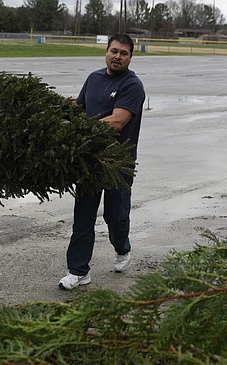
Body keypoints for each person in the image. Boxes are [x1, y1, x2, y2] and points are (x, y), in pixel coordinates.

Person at [59, 33, 146, 291]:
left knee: (115, 216)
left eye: (124, 53)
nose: (118, 56)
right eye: (114, 51)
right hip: (91, 161)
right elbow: (80, 106)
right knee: (83, 216)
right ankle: (78, 271)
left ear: (130, 57)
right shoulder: (94, 79)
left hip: (118, 162)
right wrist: (56, 111)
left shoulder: (133, 86)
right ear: (106, 51)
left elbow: (117, 121)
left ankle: (123, 248)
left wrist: (79, 130)